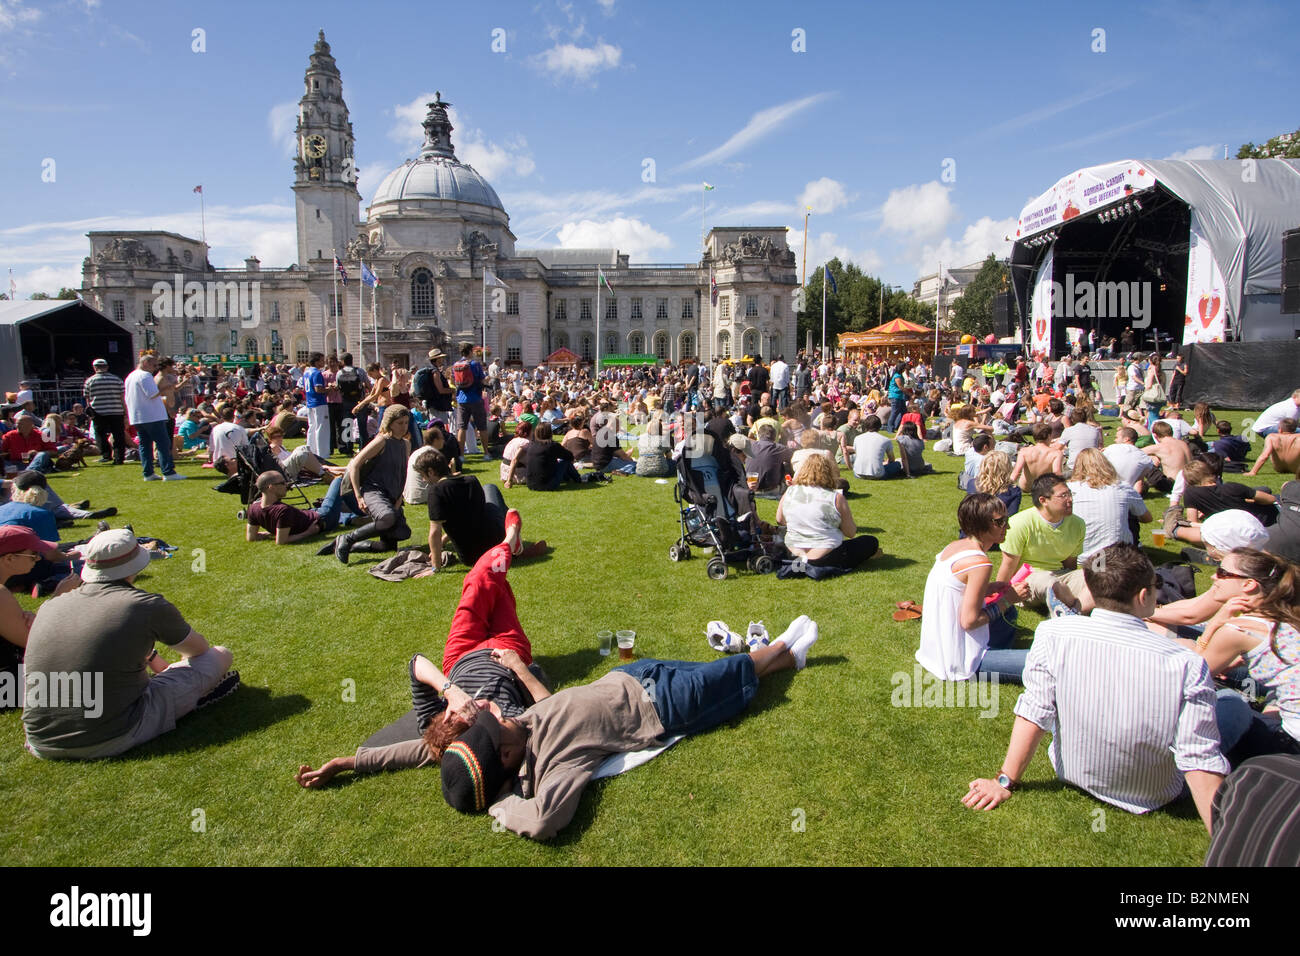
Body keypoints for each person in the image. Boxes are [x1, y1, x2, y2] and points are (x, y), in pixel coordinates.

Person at [440, 623, 821, 837]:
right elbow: (542, 819)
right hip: (662, 706)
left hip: (631, 673)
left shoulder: (524, 725)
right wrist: (498, 804)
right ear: (506, 757)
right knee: (731, 672)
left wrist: (519, 669)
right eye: (497, 726)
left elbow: (545, 705)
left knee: (720, 673)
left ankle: (788, 658)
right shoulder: (555, 765)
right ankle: (785, 642)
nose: (503, 716)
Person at [962, 544, 1228, 832]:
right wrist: (1227, 841)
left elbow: (1035, 710)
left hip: (1072, 771)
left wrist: (1004, 780)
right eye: (1157, 585)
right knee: (1231, 705)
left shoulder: (1052, 634)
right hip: (1154, 793)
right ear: (1143, 595)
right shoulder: (1187, 664)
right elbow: (1198, 755)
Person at [21, 529, 237, 760]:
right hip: (110, 735)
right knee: (220, 655)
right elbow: (198, 651)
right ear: (134, 567)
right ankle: (195, 696)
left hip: (39, 740)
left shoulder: (50, 607)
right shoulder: (144, 605)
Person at [1193, 548, 1300, 763]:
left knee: (1230, 703)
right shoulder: (1287, 616)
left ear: (1249, 584)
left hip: (1290, 744)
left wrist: (1214, 625)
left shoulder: (1238, 630)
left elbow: (1187, 678)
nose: (1214, 576)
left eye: (1222, 572)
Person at [917, 493, 1029, 683]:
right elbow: (969, 621)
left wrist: (989, 588)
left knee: (1009, 616)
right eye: (1000, 522)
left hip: (935, 651)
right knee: (1043, 662)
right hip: (962, 660)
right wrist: (1008, 599)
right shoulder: (980, 563)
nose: (1007, 527)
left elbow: (955, 591)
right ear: (980, 525)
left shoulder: (954, 547)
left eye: (1006, 519)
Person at [417, 449, 541, 569]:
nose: (424, 480)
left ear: (431, 471)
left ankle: (512, 532)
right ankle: (512, 532)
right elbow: (469, 516)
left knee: (488, 498)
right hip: (495, 541)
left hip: (471, 556)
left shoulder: (436, 491)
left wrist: (435, 567)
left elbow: (436, 531)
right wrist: (442, 542)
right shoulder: (471, 481)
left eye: (423, 475)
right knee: (490, 489)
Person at [994, 473, 1093, 614]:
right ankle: (1075, 609)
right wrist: (999, 600)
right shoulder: (1019, 524)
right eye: (1063, 496)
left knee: (1098, 578)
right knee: (1048, 582)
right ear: (1043, 500)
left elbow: (1070, 565)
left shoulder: (1078, 524)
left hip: (1060, 575)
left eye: (1070, 494)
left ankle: (1074, 611)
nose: (1070, 500)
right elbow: (1008, 567)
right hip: (1029, 580)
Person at [333, 404, 413, 564]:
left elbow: (403, 473)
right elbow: (355, 464)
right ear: (389, 423)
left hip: (392, 494)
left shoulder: (406, 444)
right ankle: (347, 539)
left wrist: (399, 498)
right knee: (388, 518)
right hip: (373, 490)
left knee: (393, 541)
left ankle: (354, 545)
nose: (403, 427)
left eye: (406, 422)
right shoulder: (381, 441)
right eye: (399, 423)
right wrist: (358, 495)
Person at [776, 453, 878, 572]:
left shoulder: (790, 492)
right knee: (870, 541)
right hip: (823, 556)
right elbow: (850, 532)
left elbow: (780, 520)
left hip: (793, 553)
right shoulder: (835, 498)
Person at [1067, 448, 1152, 558]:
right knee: (1130, 513)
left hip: (1080, 556)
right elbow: (1147, 518)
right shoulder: (1122, 487)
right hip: (1118, 555)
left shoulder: (1069, 489)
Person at [245, 470, 358, 546]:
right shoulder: (282, 510)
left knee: (340, 506)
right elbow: (281, 541)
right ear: (271, 488)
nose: (287, 486)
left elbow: (251, 537)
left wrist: (270, 532)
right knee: (338, 481)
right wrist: (308, 532)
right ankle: (360, 509)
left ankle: (350, 518)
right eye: (282, 483)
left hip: (310, 514)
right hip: (324, 517)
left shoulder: (254, 508)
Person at [125, 353, 184, 481]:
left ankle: (148, 473)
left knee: (144, 445)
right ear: (145, 363)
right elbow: (152, 394)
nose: (155, 368)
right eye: (153, 365)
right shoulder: (145, 375)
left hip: (138, 416)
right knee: (163, 443)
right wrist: (167, 388)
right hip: (151, 416)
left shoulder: (131, 376)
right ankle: (168, 472)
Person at [82, 358, 127, 464]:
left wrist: (90, 412)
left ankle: (106, 455)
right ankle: (119, 457)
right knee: (118, 435)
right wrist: (125, 412)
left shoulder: (89, 381)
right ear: (106, 367)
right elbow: (122, 397)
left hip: (98, 412)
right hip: (116, 411)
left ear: (95, 368)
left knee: (100, 434)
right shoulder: (117, 379)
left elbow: (88, 399)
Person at [451, 343, 487, 456]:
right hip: (475, 397)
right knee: (482, 427)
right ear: (470, 351)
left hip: (461, 399)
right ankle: (486, 453)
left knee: (462, 428)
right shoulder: (475, 364)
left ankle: (461, 455)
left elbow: (453, 381)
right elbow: (482, 380)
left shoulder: (455, 365)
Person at [1009, 424, 1064, 493]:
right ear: (1049, 436)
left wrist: (1007, 487)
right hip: (1044, 487)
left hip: (1026, 487)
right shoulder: (1056, 453)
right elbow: (1057, 473)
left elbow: (1016, 472)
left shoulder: (1024, 451)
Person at [851, 414, 901, 479]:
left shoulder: (857, 438)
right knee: (897, 464)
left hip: (858, 473)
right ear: (879, 426)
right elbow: (892, 459)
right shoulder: (885, 440)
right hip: (877, 474)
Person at [301, 351, 330, 460]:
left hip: (310, 402)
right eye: (322, 360)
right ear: (317, 361)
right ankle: (322, 453)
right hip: (319, 403)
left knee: (312, 427)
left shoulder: (307, 372)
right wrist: (329, 389)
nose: (323, 362)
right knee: (321, 427)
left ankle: (311, 449)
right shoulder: (317, 373)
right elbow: (319, 389)